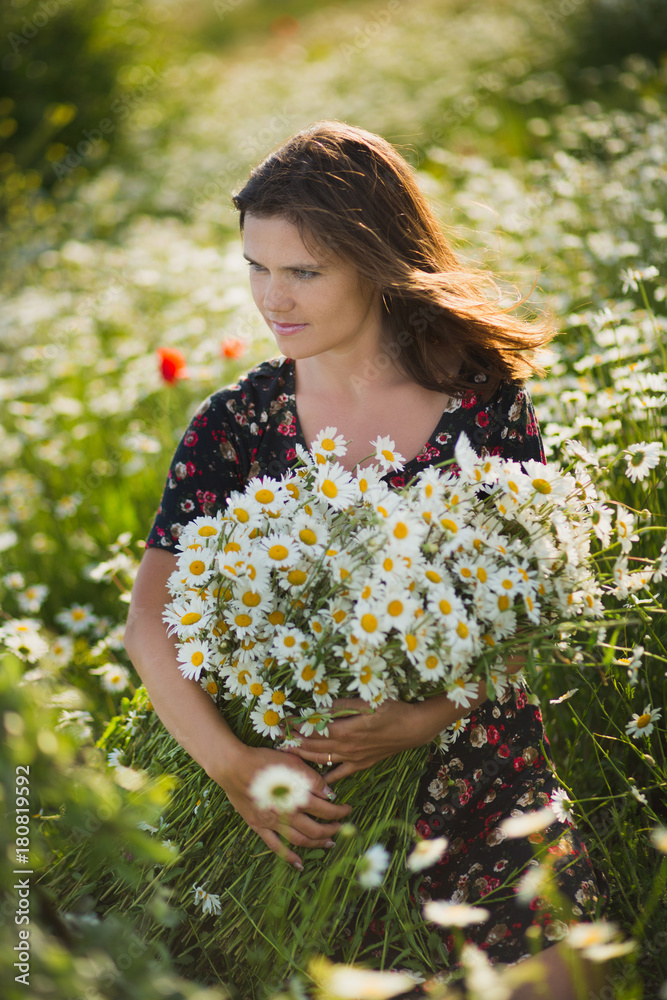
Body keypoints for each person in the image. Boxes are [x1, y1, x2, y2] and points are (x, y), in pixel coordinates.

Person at [124, 120, 610, 999]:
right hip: (308, 793)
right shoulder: (235, 425)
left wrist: (430, 715)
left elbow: (530, 600)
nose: (273, 298)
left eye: (304, 271)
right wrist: (234, 767)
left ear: (377, 260)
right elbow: (150, 622)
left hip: (478, 755)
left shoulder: (481, 400)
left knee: (563, 981)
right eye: (256, 267)